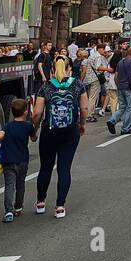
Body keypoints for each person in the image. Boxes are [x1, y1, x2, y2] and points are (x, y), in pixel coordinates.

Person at [32, 56, 86, 218]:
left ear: (52, 70)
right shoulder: (77, 84)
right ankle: (60, 206)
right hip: (70, 131)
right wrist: (81, 124)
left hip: (50, 131)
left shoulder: (46, 87)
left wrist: (35, 129)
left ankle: (41, 202)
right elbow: (84, 107)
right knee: (64, 168)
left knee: (46, 167)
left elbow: (37, 113)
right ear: (70, 69)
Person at [0, 96, 36, 222]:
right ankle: (18, 207)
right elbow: (34, 138)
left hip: (8, 160)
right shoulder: (28, 126)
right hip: (22, 159)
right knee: (20, 184)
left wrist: (1, 137)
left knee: (9, 185)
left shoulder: (8, 126)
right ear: (26, 112)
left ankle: (8, 211)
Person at [106, 46, 131, 135]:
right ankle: (125, 128)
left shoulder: (120, 62)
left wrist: (118, 85)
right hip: (129, 87)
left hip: (120, 87)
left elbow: (116, 76)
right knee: (129, 107)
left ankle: (112, 120)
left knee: (122, 107)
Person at [82, 45, 107, 122]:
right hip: (95, 79)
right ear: (99, 49)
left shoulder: (92, 56)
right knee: (93, 97)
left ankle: (87, 114)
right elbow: (98, 67)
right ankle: (89, 115)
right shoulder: (98, 56)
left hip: (89, 79)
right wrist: (107, 69)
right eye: (103, 49)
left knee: (90, 97)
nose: (104, 51)